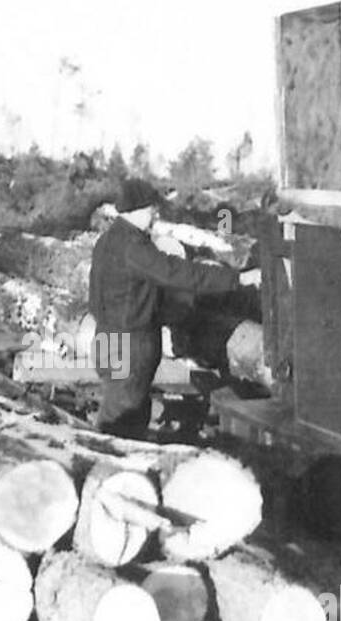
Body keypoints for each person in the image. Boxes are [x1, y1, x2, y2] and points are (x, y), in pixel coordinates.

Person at [89, 177, 258, 440]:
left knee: (118, 405)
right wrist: (236, 279)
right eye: (150, 209)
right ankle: (117, 468)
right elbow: (177, 273)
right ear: (137, 210)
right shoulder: (133, 246)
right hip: (129, 342)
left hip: (107, 337)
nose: (154, 214)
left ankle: (115, 461)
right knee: (125, 417)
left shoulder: (106, 241)